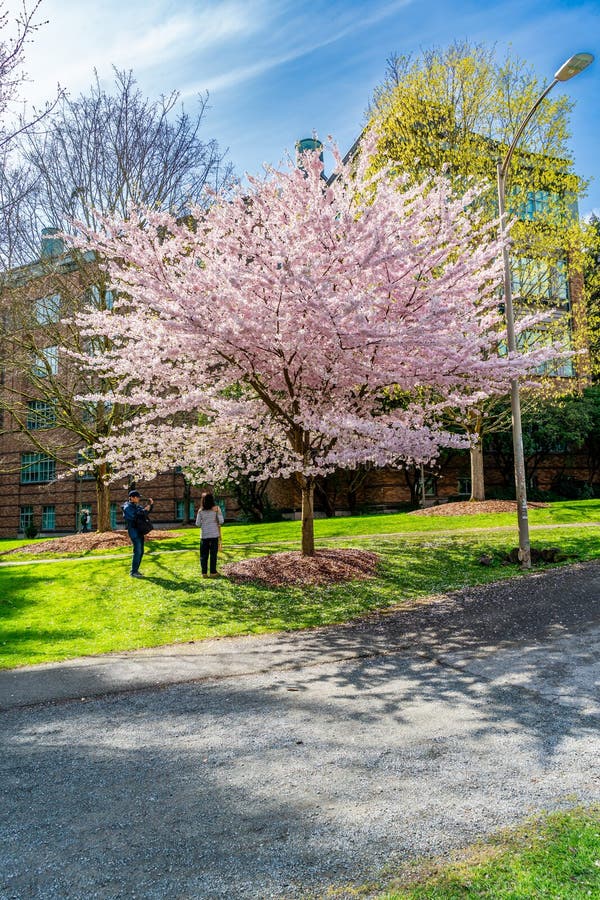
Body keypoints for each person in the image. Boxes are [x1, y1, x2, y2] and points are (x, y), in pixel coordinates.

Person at [122, 490, 154, 578]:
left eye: (139, 497)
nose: (138, 498)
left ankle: (135, 571)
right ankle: (133, 572)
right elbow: (134, 516)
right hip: (133, 531)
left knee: (141, 551)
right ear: (131, 498)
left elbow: (143, 513)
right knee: (138, 551)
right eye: (137, 497)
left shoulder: (136, 506)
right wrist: (143, 511)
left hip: (139, 530)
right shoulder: (127, 507)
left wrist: (150, 506)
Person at [195, 492, 224, 578]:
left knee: (203, 555)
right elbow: (221, 521)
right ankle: (213, 572)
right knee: (213, 554)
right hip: (214, 535)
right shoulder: (216, 509)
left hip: (204, 536)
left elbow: (198, 524)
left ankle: (204, 573)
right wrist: (218, 512)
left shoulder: (200, 511)